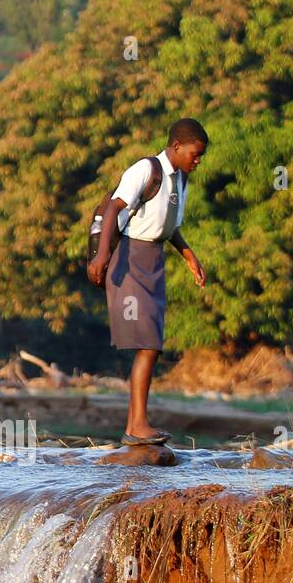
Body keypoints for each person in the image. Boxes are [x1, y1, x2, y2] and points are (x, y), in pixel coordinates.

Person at [88, 118, 208, 446]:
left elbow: (168, 226)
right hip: (129, 257)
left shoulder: (180, 181)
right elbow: (113, 208)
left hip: (154, 259)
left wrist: (188, 256)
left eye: (201, 157)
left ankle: (134, 428)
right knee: (148, 344)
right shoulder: (147, 169)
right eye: (194, 154)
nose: (197, 161)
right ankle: (137, 425)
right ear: (176, 147)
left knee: (151, 343)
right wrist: (101, 256)